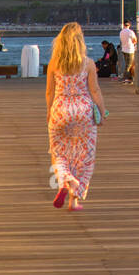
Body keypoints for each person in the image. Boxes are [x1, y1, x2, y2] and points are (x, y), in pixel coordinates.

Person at [47, 22, 106, 211]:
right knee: (84, 156)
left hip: (60, 110)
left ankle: (66, 180)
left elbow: (50, 92)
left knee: (59, 154)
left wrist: (50, 111)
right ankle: (75, 199)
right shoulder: (88, 63)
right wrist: (102, 112)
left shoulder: (54, 63)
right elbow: (95, 90)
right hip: (83, 112)